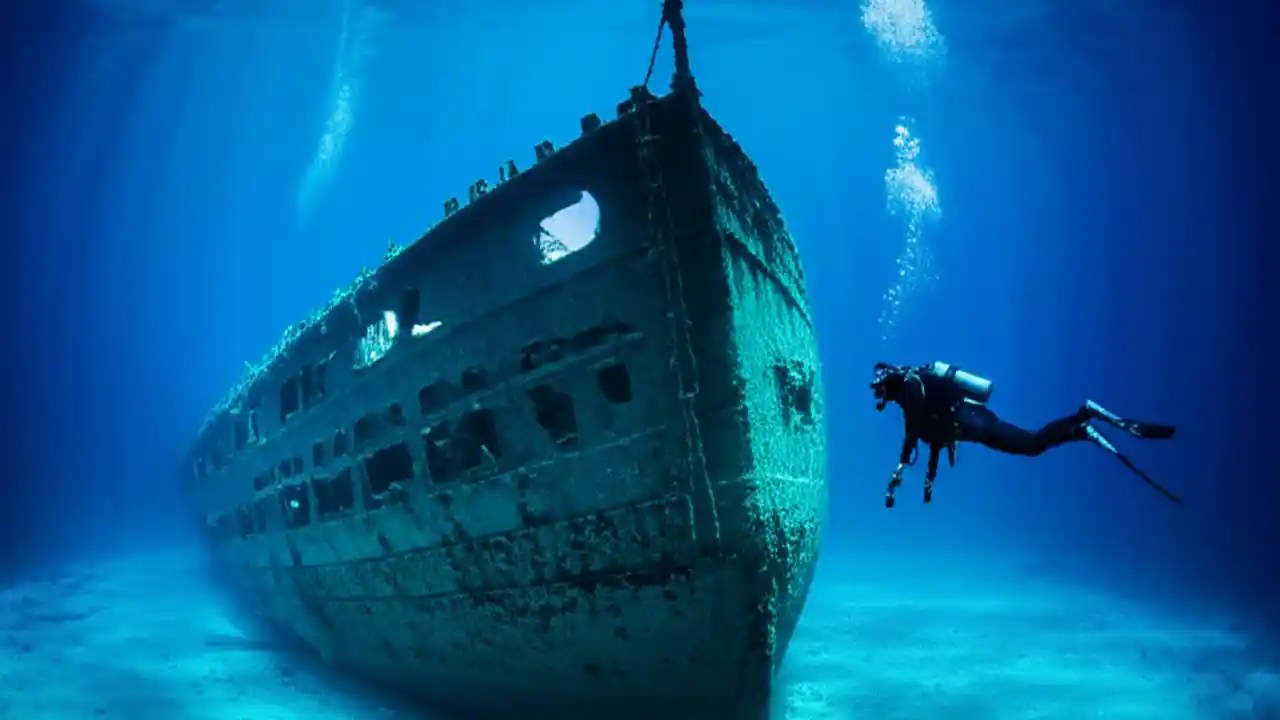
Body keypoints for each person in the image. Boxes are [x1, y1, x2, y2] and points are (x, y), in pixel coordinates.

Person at [870, 361, 1180, 507]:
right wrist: (929, 481)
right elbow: (931, 437)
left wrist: (898, 469)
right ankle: (1079, 428)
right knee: (1032, 445)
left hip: (977, 422)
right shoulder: (913, 392)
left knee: (1032, 444)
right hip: (973, 423)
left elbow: (914, 434)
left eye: (879, 390)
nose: (879, 397)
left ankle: (1082, 418)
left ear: (889, 383)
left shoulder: (911, 388)